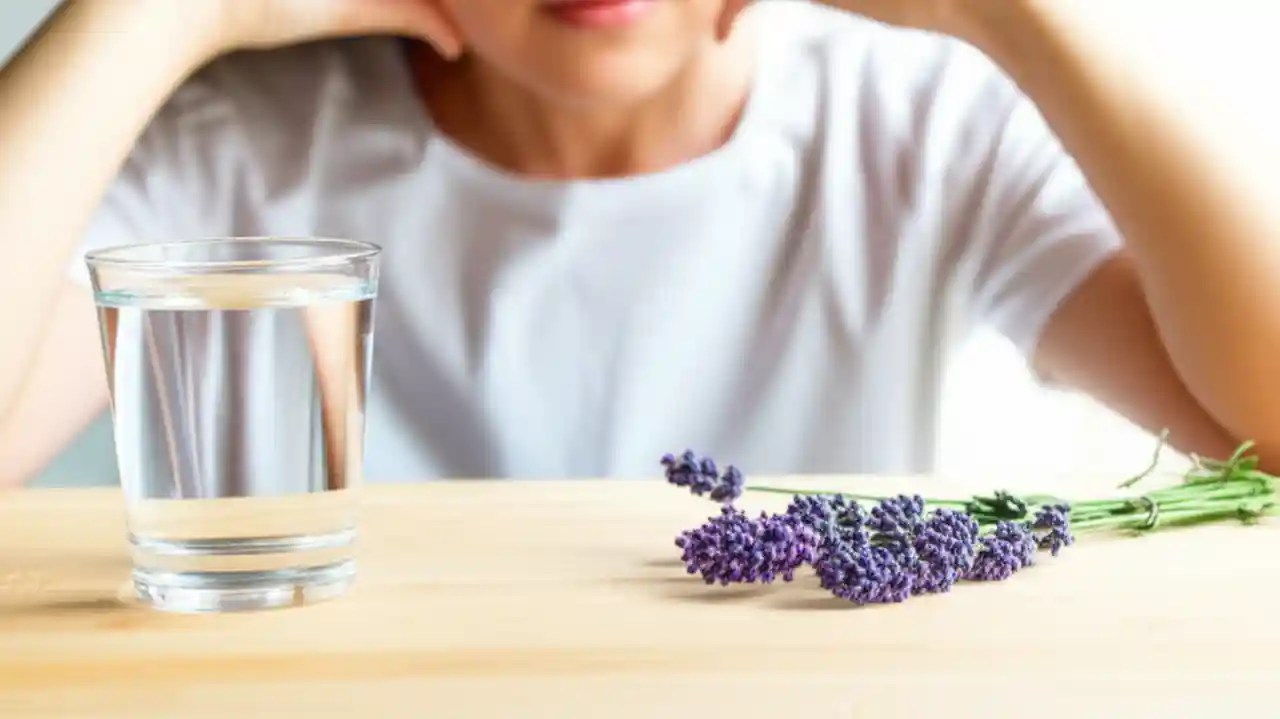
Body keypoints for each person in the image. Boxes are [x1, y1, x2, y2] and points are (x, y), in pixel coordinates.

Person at [0, 0, 1276, 485]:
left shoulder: (919, 121)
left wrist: (1015, 13)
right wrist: (154, 18)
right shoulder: (234, 138)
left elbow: (1263, 431)